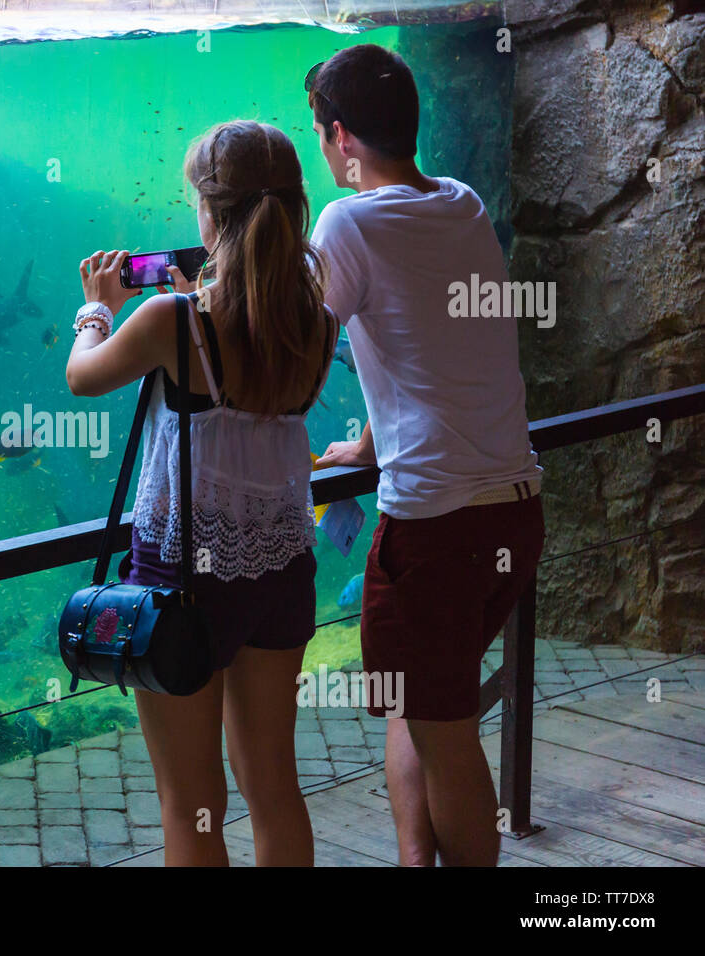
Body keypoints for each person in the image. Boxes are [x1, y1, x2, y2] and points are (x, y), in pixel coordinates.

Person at [65, 121, 338, 866]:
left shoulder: (169, 321)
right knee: (272, 783)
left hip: (185, 576)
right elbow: (243, 364)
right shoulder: (311, 320)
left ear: (211, 215)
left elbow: (82, 376)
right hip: (282, 568)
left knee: (193, 806)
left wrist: (97, 306)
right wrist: (201, 296)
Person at [308, 44, 545, 866]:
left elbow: (301, 350)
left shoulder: (345, 222)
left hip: (439, 530)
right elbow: (437, 347)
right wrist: (369, 442)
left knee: (445, 738)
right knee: (416, 704)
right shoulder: (463, 203)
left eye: (321, 137)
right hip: (514, 511)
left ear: (341, 137)